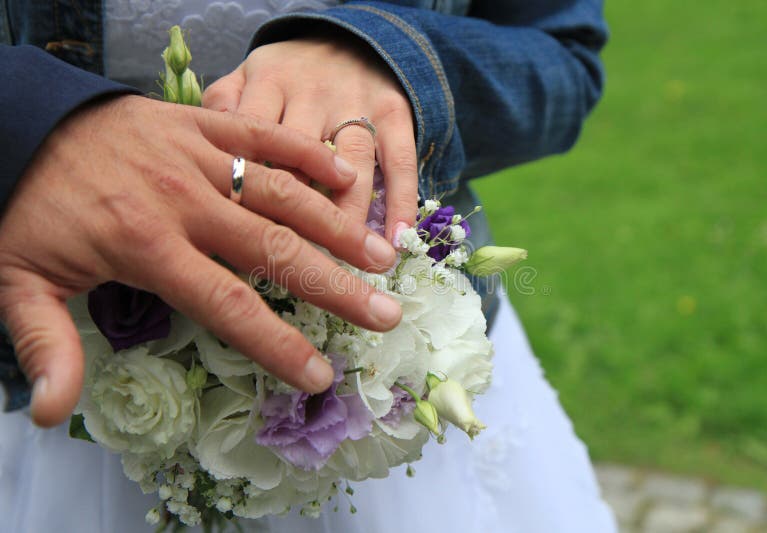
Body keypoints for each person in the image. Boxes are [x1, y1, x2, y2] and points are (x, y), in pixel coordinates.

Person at [0, 1, 615, 531]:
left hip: (402, 396)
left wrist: (387, 54)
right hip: (80, 402)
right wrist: (26, 125)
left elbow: (563, 54)